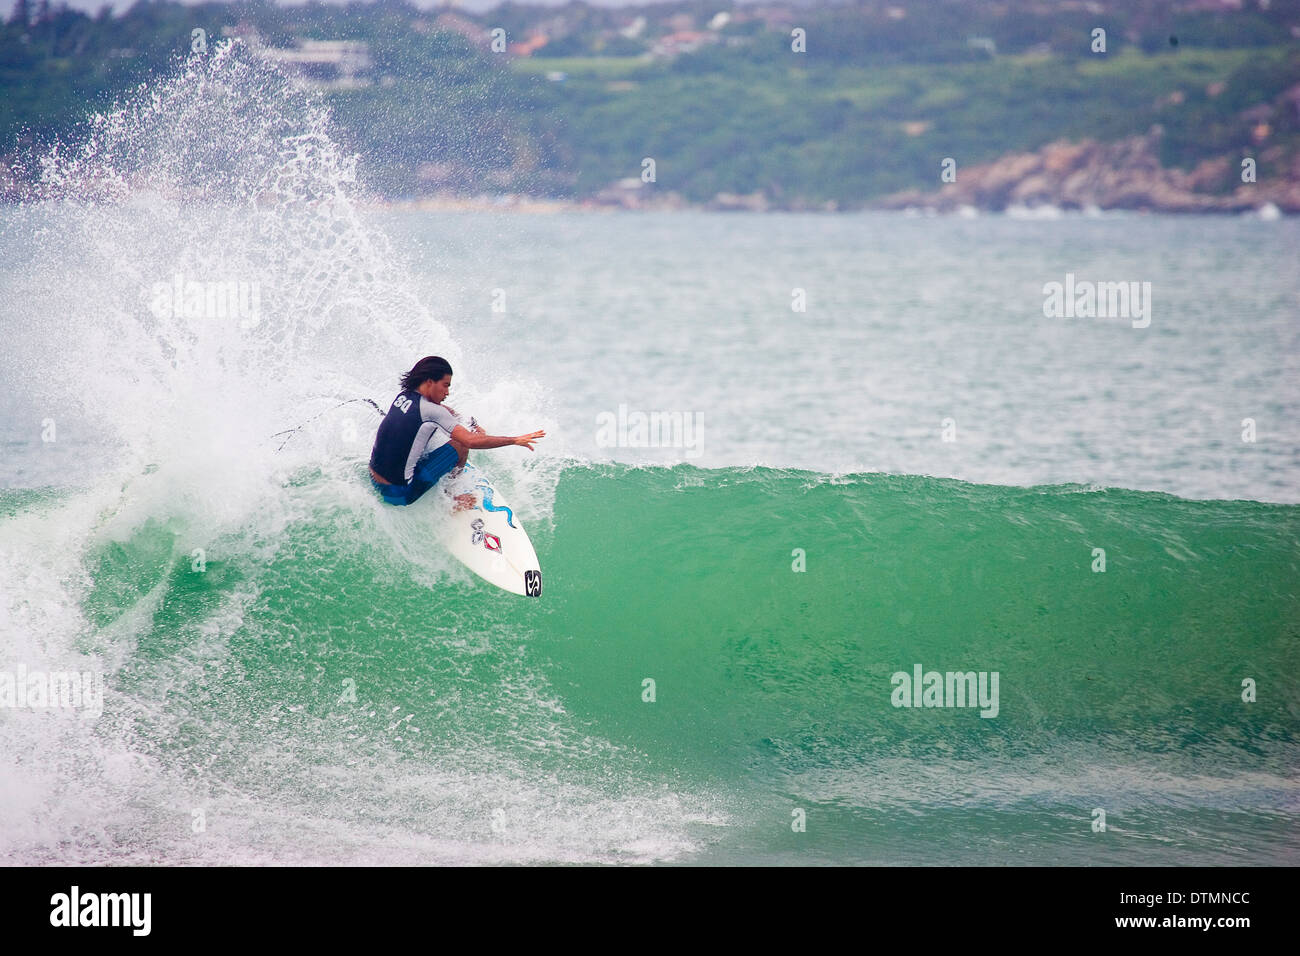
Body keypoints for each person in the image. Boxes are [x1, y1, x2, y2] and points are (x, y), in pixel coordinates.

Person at [368, 356, 545, 507]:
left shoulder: (404, 396)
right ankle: (452, 499)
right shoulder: (432, 411)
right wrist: (514, 440)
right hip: (399, 494)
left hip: (374, 479)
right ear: (430, 382)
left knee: (426, 431)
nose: (447, 392)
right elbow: (469, 441)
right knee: (460, 444)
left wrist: (470, 423)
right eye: (445, 385)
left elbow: (444, 412)